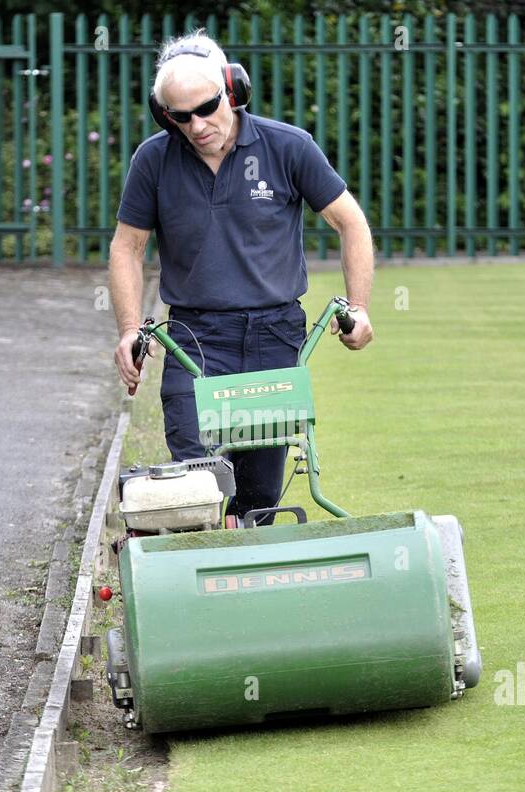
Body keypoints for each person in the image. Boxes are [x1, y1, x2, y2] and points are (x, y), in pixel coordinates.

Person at [108, 28, 374, 525]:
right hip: (195, 340)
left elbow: (350, 222)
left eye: (207, 108)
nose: (197, 124)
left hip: (274, 338)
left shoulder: (288, 147)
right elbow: (127, 247)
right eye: (180, 116)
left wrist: (358, 307)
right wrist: (128, 329)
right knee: (195, 487)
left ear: (233, 90)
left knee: (259, 501)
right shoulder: (154, 160)